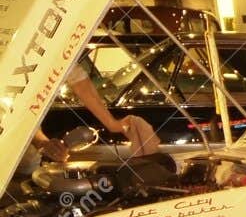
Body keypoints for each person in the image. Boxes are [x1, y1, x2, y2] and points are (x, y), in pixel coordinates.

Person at [23, 61, 159, 170]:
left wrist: (112, 124)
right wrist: (40, 141)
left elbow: (78, 79)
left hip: (25, 161)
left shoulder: (57, 43)